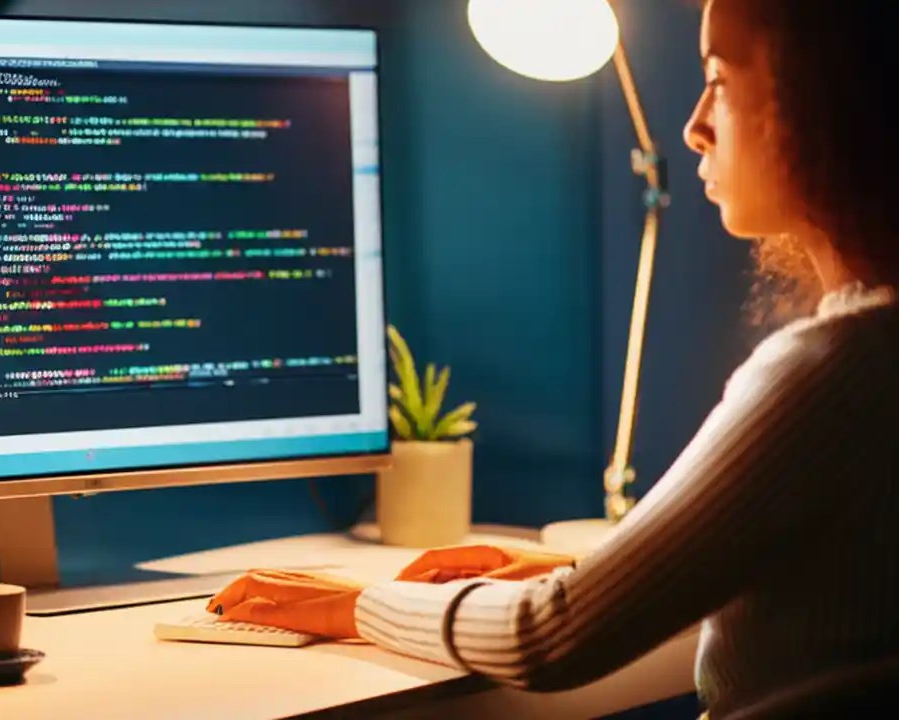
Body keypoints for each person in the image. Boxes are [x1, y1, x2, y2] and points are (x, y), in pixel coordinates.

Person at [207, 1, 899, 716]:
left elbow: (551, 636)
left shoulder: (835, 369)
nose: (694, 126)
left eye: (719, 80)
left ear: (826, 106)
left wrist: (357, 604)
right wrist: (577, 569)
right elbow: (781, 561)